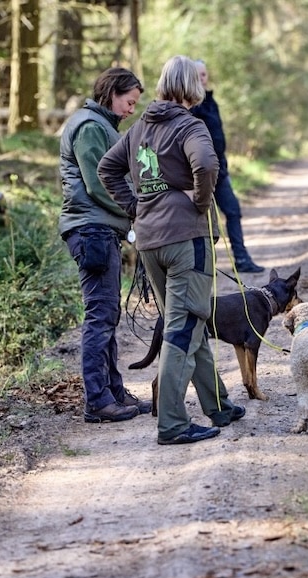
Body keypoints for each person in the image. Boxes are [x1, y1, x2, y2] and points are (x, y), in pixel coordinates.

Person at [98, 55, 245, 445]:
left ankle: (219, 406)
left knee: (187, 322)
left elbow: (107, 169)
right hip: (185, 243)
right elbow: (207, 165)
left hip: (149, 243)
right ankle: (173, 424)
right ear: (191, 87)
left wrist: (136, 206)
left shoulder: (139, 126)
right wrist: (199, 202)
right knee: (184, 326)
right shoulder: (188, 126)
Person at [58, 67, 153, 423]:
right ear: (111, 93)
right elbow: (101, 183)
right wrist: (136, 210)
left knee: (108, 314)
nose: (131, 110)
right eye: (129, 102)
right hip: (90, 231)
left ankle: (114, 391)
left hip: (100, 230)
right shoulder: (90, 127)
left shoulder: (99, 125)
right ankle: (97, 400)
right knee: (100, 317)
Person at [189, 60, 265, 274]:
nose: (202, 78)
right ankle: (199, 268)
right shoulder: (190, 108)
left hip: (220, 172)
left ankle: (241, 259)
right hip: (200, 174)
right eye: (197, 75)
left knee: (233, 210)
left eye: (204, 74)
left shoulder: (211, 102)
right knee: (201, 221)